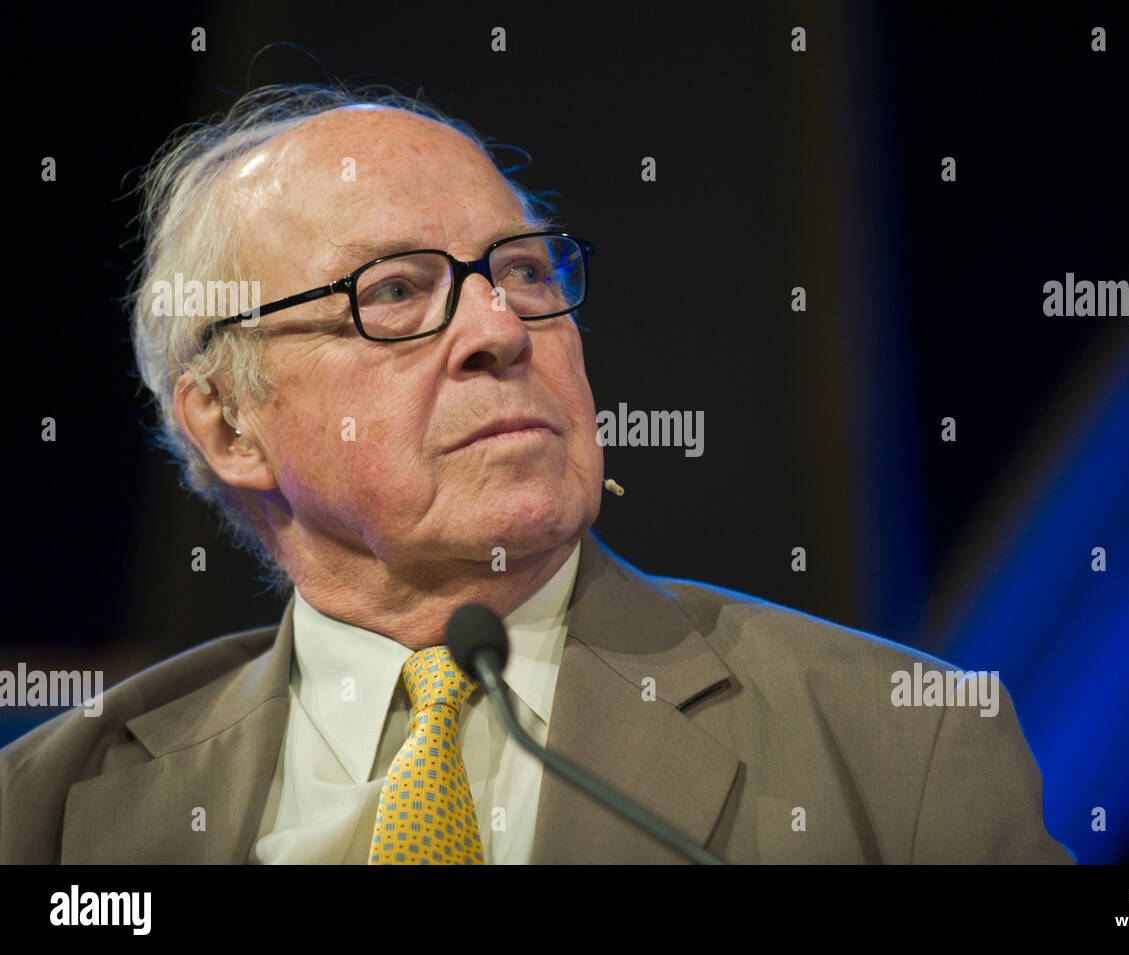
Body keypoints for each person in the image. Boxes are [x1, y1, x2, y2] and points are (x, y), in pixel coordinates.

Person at [0, 84, 1074, 864]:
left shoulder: (897, 743)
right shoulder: (50, 810)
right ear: (231, 426)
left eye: (521, 271)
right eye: (397, 292)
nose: (499, 328)